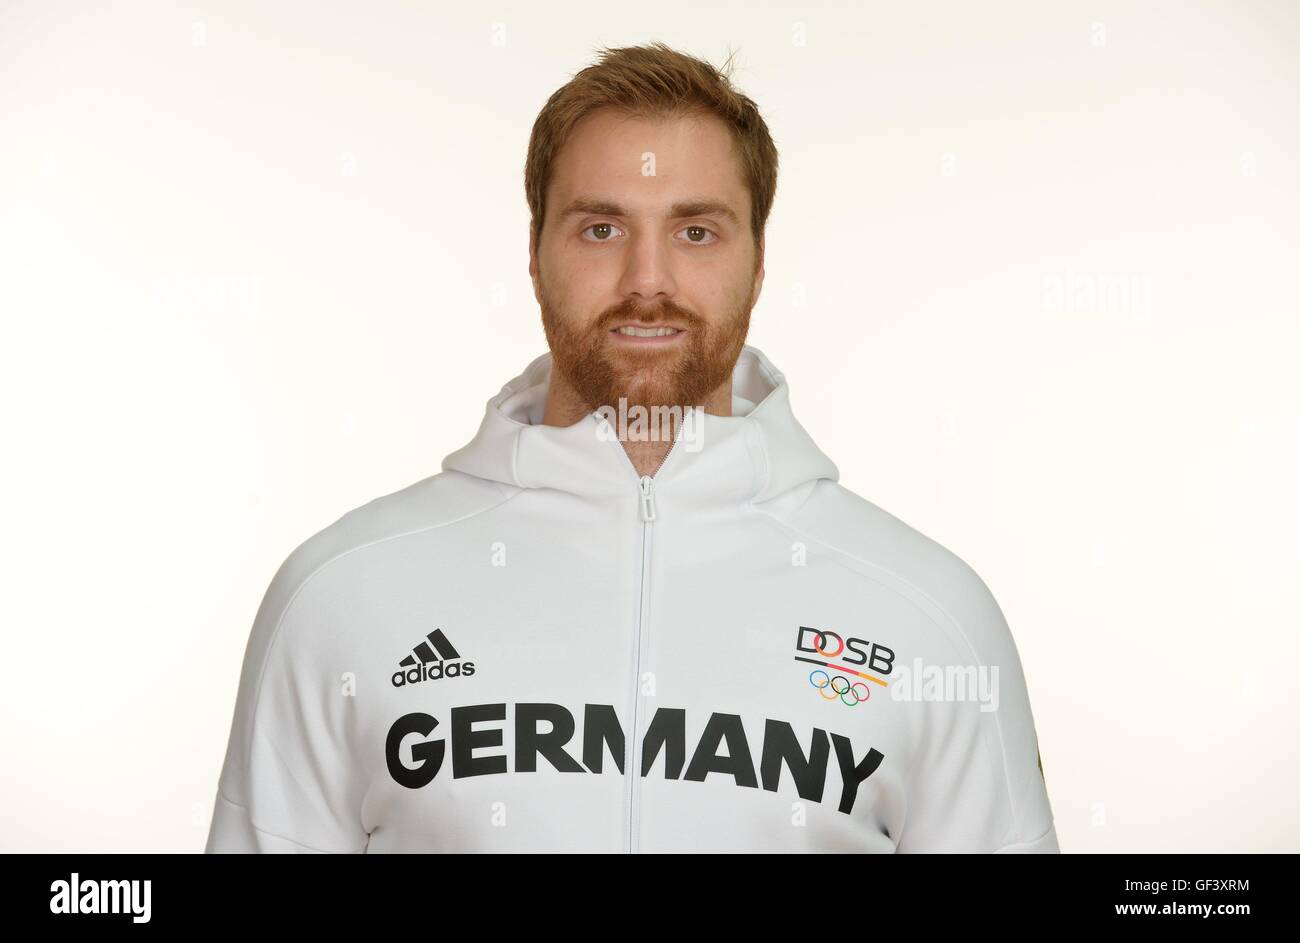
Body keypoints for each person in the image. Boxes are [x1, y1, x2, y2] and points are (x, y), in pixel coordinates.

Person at [205, 41, 1059, 853]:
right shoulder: (343, 595)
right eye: (600, 229)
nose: (647, 280)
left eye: (696, 231)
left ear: (758, 263)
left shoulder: (929, 617)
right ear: (535, 256)